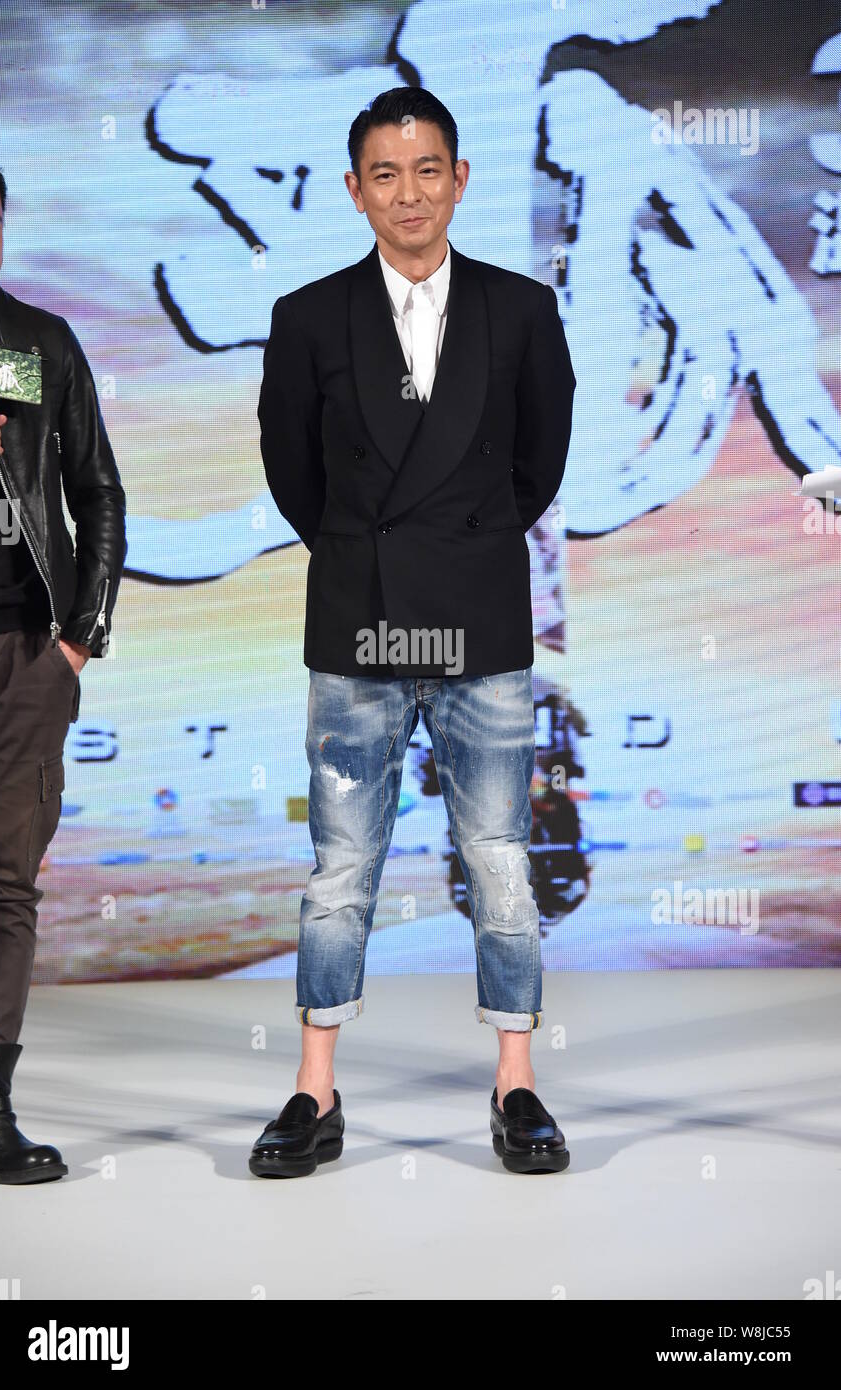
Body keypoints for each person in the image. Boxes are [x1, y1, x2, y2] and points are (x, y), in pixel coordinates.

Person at [253, 88, 575, 1177]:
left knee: (495, 859)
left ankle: (516, 1084)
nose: (407, 193)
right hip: (357, 623)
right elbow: (294, 475)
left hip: (478, 621)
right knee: (340, 867)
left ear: (460, 179)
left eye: (426, 169)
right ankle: (312, 1091)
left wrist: (461, 548)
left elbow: (539, 464)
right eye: (383, 175)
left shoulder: (521, 310)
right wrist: (363, 553)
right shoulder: (306, 317)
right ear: (353, 191)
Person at [0, 145, 126, 1184]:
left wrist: (80, 638)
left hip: (28, 653)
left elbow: (99, 491)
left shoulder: (32, 342)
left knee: (4, 882)